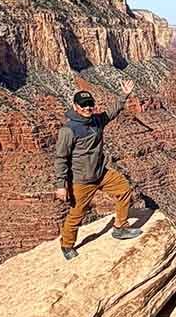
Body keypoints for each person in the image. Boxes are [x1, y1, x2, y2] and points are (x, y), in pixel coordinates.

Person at [54, 81, 142, 260]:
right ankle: (67, 245)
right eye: (84, 105)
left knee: (124, 190)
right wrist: (60, 185)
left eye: (90, 104)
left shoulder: (96, 120)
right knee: (77, 214)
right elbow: (61, 158)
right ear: (75, 107)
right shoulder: (68, 130)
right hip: (82, 180)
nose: (88, 108)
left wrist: (124, 95)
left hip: (101, 173)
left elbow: (112, 112)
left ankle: (120, 227)